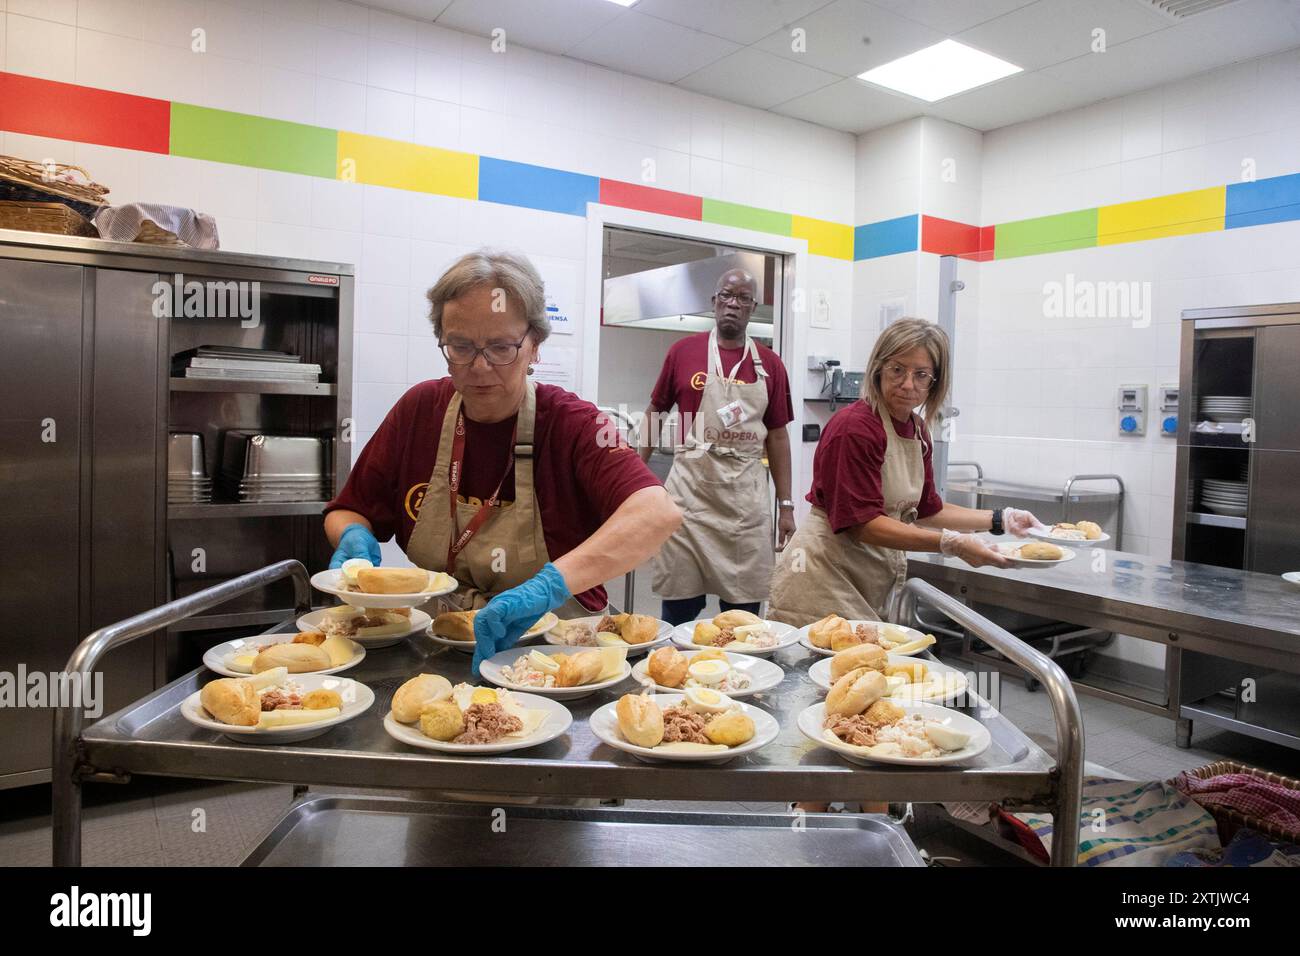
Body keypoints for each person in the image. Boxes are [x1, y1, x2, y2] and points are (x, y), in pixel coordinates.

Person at [325, 249, 681, 673]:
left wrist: (548, 587)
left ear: (535, 346)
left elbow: (657, 514)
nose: (479, 367)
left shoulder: (571, 423)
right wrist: (353, 540)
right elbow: (350, 508)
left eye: (501, 347)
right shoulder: (420, 410)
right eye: (460, 346)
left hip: (555, 654)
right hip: (439, 641)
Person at [769, 318, 1043, 627]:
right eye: (897, 369)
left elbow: (927, 509)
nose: (908, 384)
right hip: (820, 578)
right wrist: (950, 544)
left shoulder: (917, 430)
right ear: (878, 369)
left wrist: (1000, 519)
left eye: (921, 374)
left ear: (934, 382)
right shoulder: (855, 428)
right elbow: (862, 524)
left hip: (864, 578)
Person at [638, 267, 796, 626]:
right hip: (689, 495)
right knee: (679, 606)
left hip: (744, 497)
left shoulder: (770, 365)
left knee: (742, 617)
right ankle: (674, 672)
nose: (732, 304)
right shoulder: (683, 352)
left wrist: (785, 505)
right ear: (714, 302)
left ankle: (742, 675)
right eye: (726, 295)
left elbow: (778, 435)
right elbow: (655, 413)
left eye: (742, 298)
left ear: (753, 307)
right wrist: (635, 483)